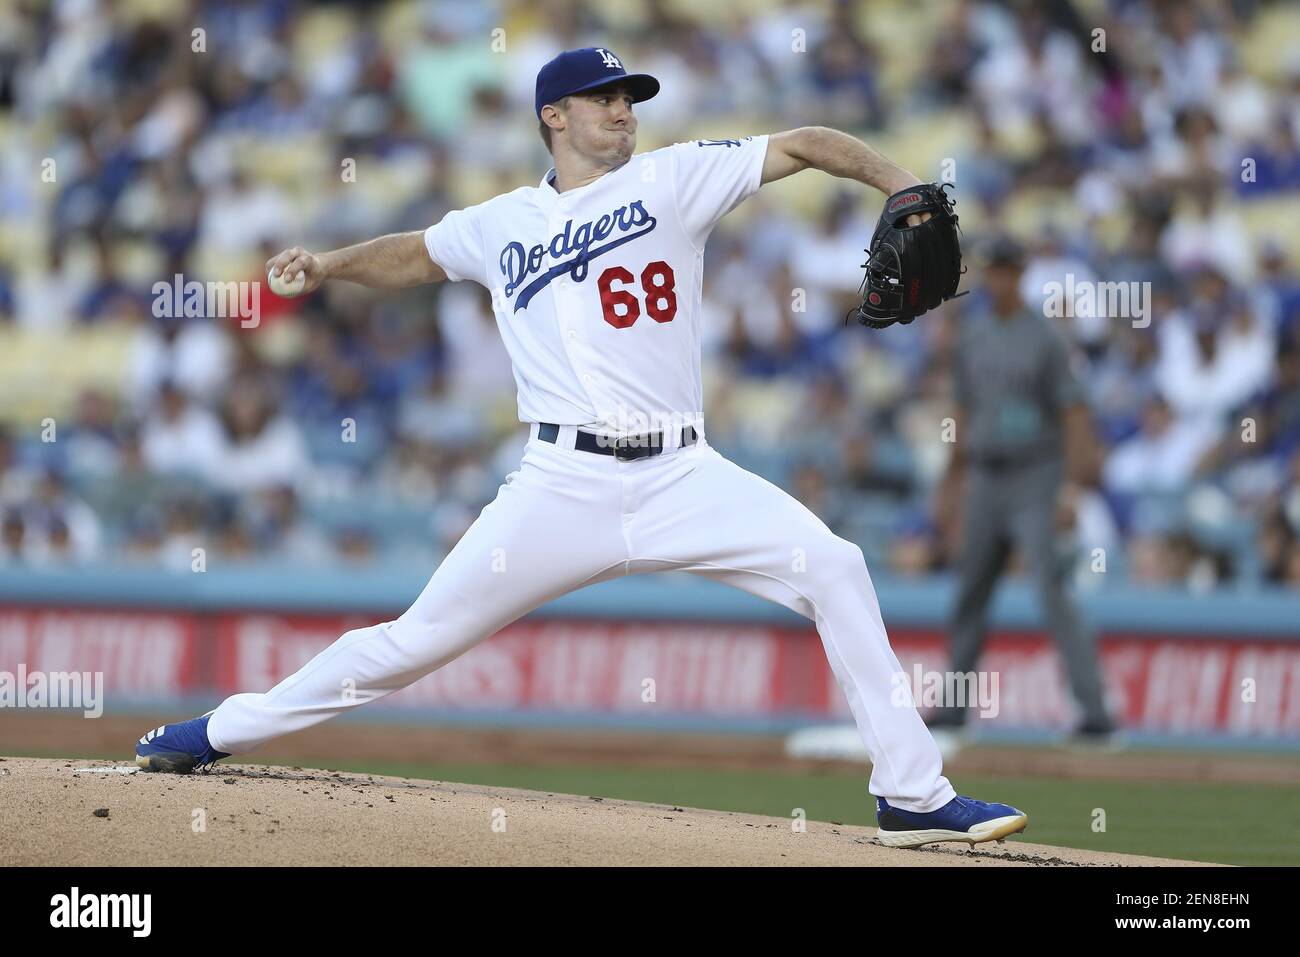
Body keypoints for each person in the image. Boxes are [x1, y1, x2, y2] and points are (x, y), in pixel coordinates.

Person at [134, 47, 1027, 849]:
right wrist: (329, 264)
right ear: (553, 116)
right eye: (604, 99)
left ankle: (911, 794)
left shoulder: (676, 178)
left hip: (683, 471)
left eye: (630, 99)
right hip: (560, 482)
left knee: (835, 565)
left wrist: (902, 184)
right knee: (411, 642)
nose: (624, 111)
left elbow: (802, 142)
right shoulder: (501, 221)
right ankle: (216, 732)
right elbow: (413, 253)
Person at [932, 237, 1115, 742]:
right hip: (987, 475)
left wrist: (1072, 491)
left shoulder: (1045, 338)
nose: (999, 279)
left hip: (1037, 473)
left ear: (1022, 274)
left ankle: (1093, 708)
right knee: (971, 588)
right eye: (993, 270)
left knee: (1052, 588)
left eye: (1008, 270)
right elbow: (962, 415)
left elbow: (1075, 415)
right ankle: (953, 707)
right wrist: (951, 484)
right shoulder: (973, 336)